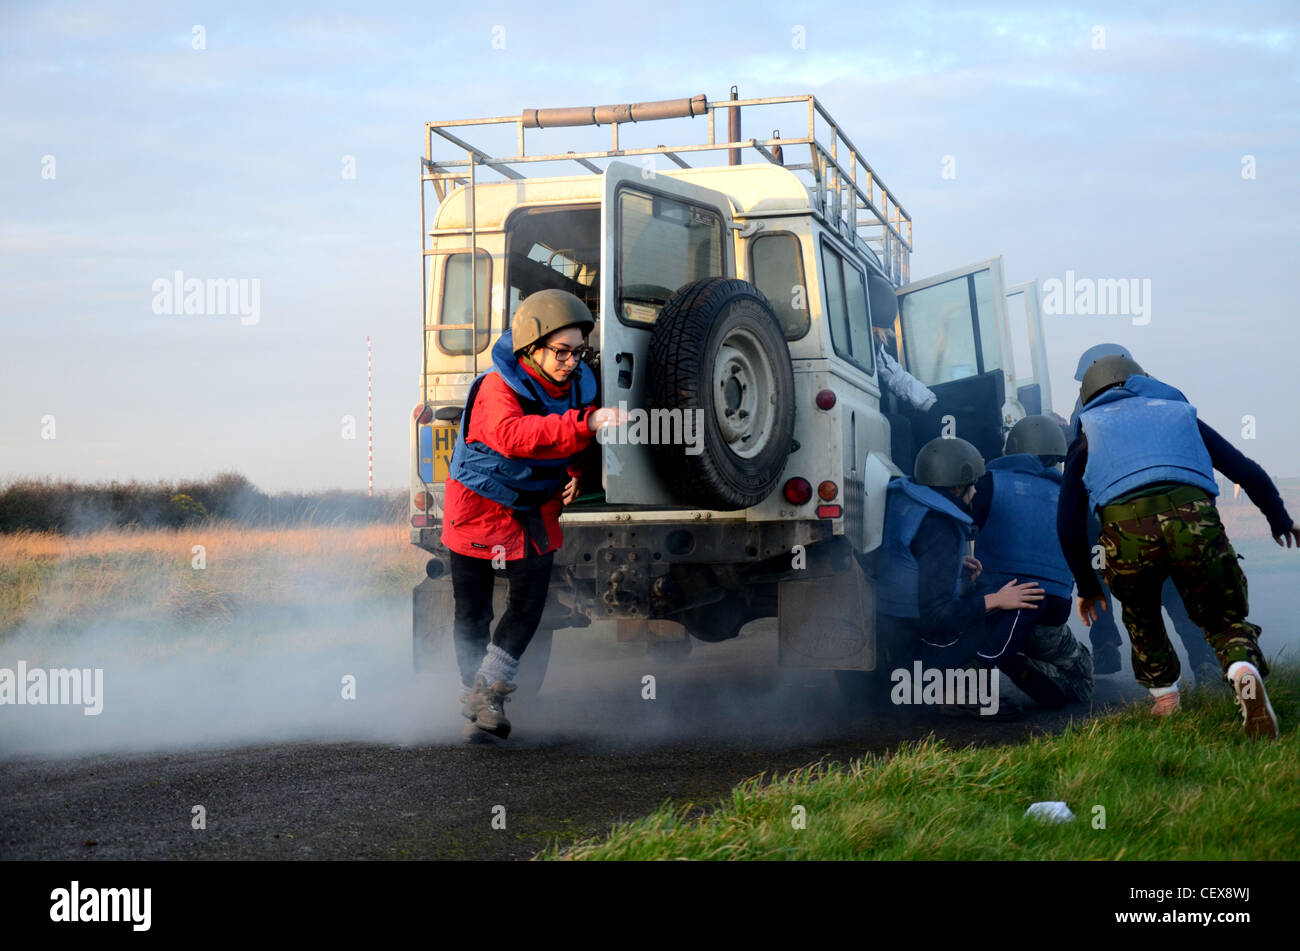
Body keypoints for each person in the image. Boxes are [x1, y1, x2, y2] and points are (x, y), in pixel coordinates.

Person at [1057, 355, 1298, 739]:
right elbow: (1247, 470)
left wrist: (1087, 586)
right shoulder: (1179, 414)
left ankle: (1166, 701)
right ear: (1142, 380)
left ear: (1088, 395)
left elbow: (1068, 523)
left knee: (1141, 614)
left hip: (1126, 535)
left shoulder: (1087, 431)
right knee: (1223, 619)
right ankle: (1242, 671)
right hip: (1196, 524)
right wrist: (1280, 520)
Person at [442, 289, 625, 740]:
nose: (570, 362)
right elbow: (512, 436)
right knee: (472, 613)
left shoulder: (579, 382)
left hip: (533, 511)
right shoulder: (495, 387)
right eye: (561, 352)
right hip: (478, 508)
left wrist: (578, 471)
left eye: (578, 352)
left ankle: (488, 694)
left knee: (528, 604)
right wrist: (586, 424)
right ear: (530, 347)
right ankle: (474, 690)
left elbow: (572, 437)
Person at [1066, 343, 1220, 684]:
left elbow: (1074, 495)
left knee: (1107, 585)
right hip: (1178, 516)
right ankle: (1204, 661)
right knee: (1176, 592)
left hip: (1112, 523)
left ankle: (1110, 648)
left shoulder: (1084, 412)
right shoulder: (1164, 399)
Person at [876, 436, 1046, 720]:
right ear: (957, 487)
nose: (977, 490)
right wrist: (997, 601)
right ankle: (960, 686)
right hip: (919, 643)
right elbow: (936, 615)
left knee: (999, 589)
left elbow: (911, 560)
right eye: (973, 484)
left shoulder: (910, 502)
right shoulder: (938, 528)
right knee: (1026, 599)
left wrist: (953, 566)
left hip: (895, 634)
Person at [970, 415, 1094, 708]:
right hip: (1048, 616)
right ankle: (1021, 663)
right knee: (1082, 678)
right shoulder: (1073, 496)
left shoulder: (986, 484)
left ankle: (993, 658)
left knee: (980, 628)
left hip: (993, 607)